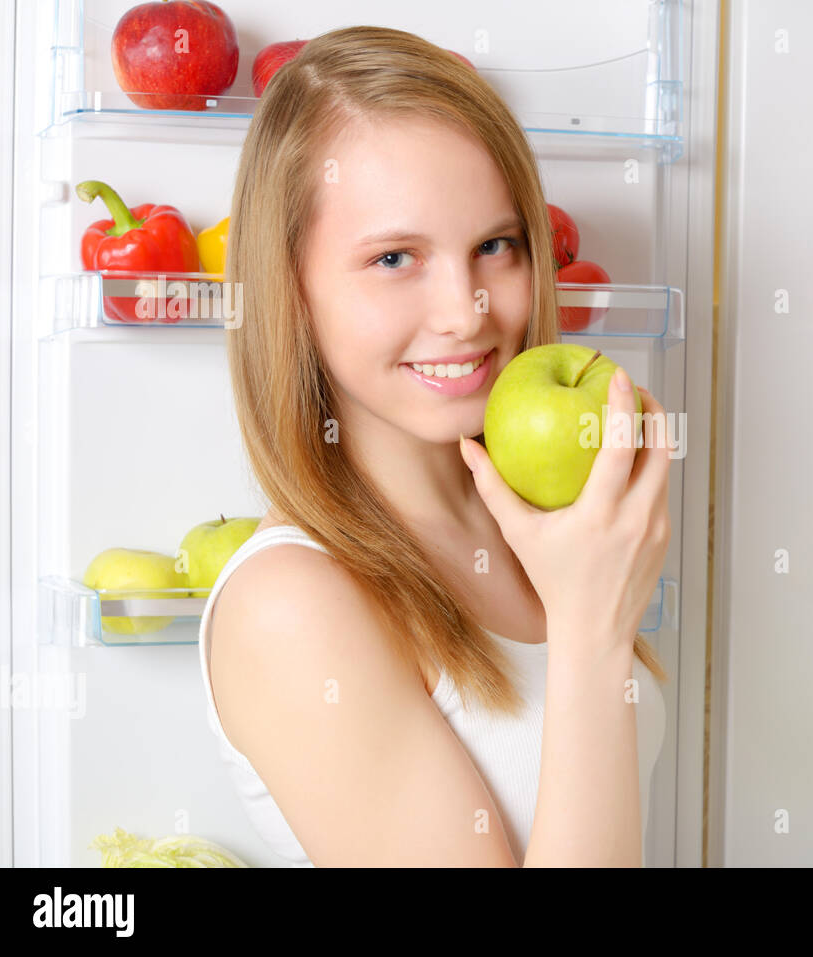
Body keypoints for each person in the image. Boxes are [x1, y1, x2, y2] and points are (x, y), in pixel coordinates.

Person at [195, 25, 672, 867]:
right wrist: (594, 630)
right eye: (393, 258)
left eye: (496, 245)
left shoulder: (545, 525)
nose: (466, 310)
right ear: (291, 290)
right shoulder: (291, 604)